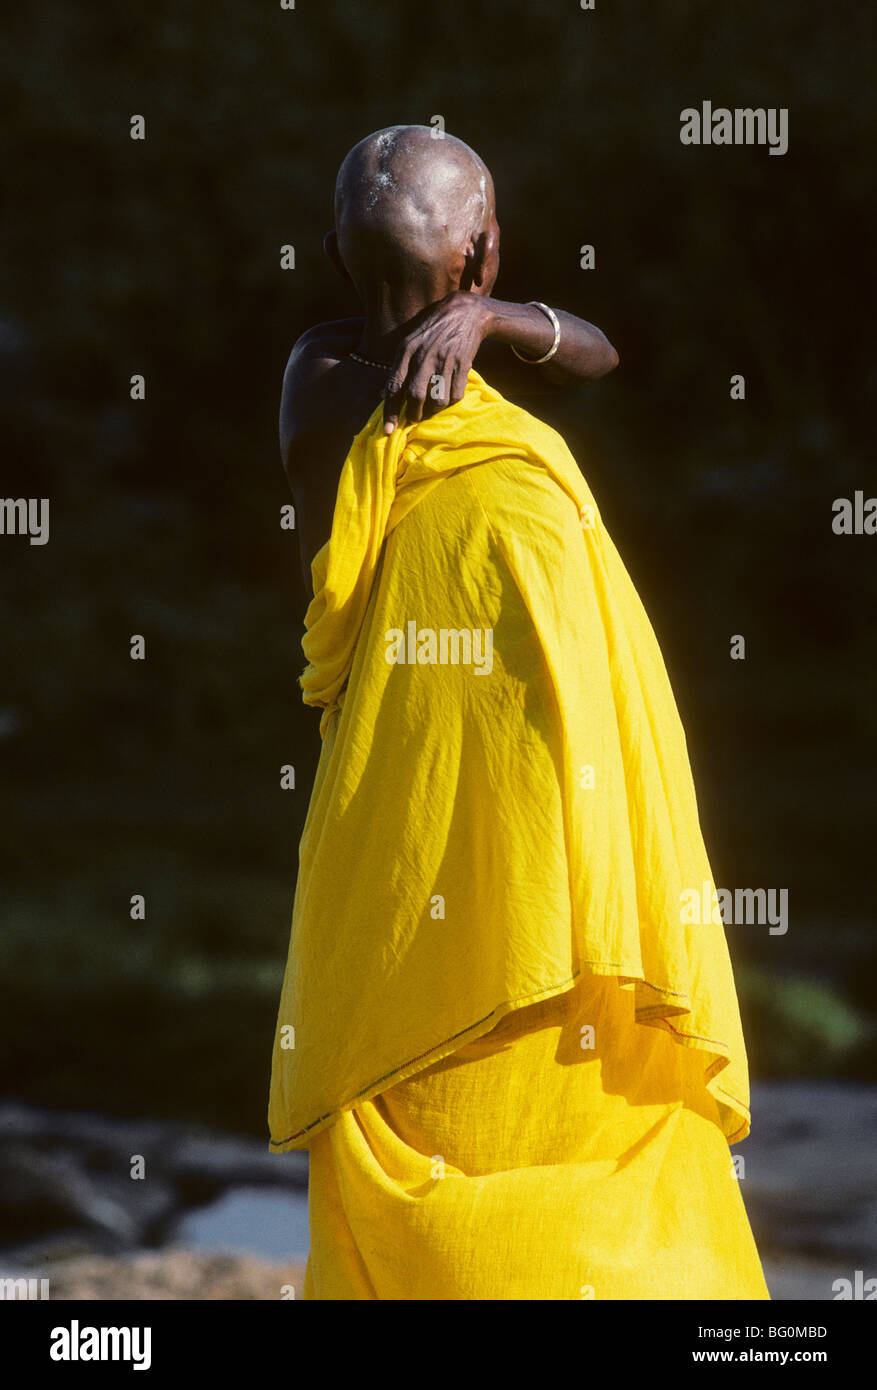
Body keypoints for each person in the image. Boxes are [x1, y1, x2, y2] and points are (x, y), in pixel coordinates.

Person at [268, 124, 770, 1301]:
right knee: (556, 1071)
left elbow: (586, 350)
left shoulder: (313, 378)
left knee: (413, 1053)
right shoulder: (456, 430)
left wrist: (485, 320)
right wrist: (501, 321)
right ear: (486, 250)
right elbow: (597, 351)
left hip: (389, 820)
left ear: (337, 251)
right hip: (554, 849)